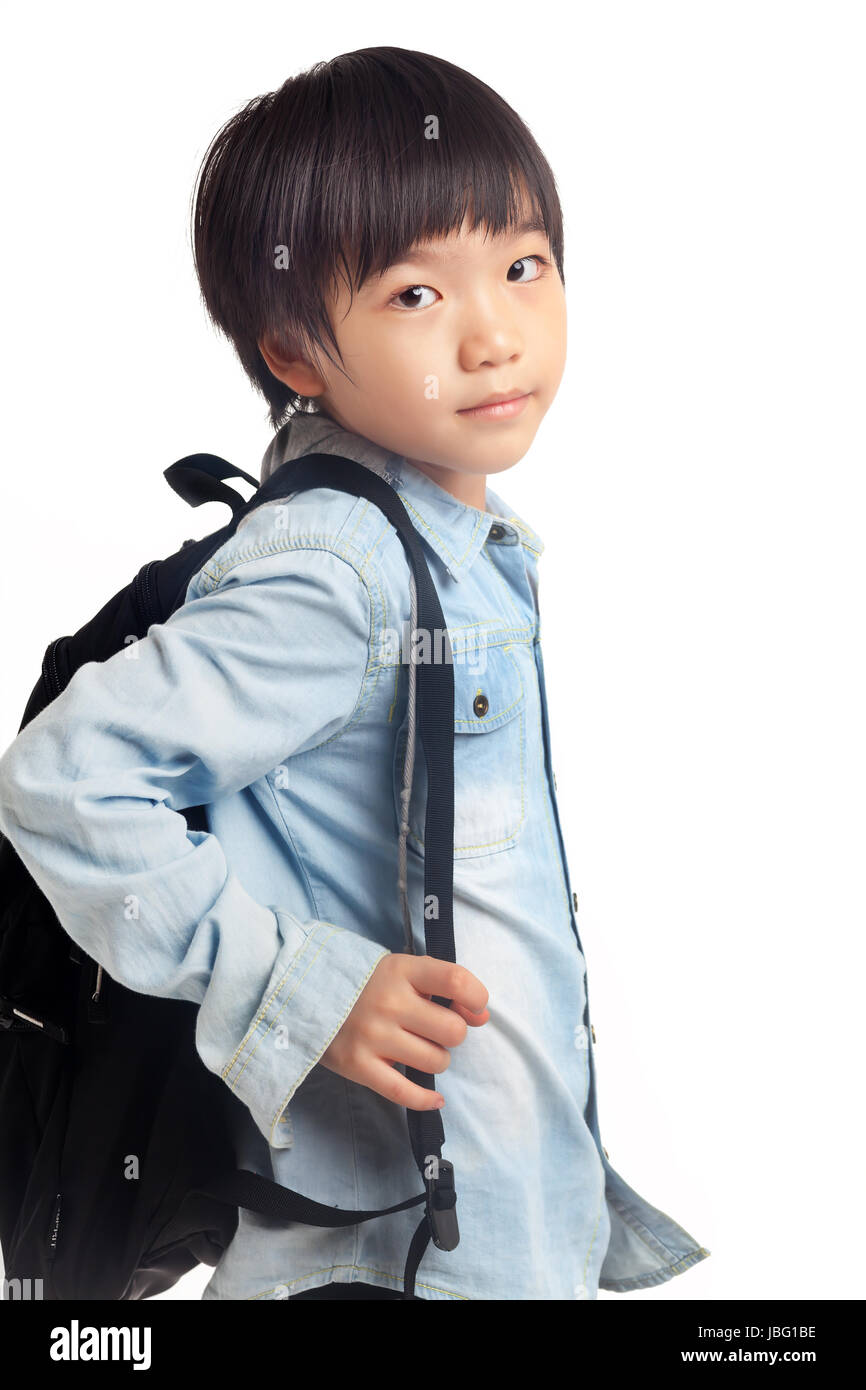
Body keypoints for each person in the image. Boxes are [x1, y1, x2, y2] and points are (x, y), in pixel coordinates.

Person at [0, 46, 709, 1300]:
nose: (494, 333)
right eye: (413, 296)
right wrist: (293, 986)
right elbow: (64, 777)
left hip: (499, 1214)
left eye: (520, 264)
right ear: (293, 351)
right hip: (401, 1253)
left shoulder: (457, 546)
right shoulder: (338, 573)